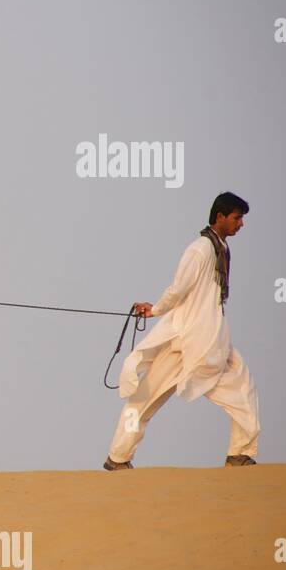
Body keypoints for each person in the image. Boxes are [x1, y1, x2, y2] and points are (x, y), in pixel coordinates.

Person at [104, 192, 260, 470]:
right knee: (145, 399)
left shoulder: (220, 248)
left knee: (243, 385)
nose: (241, 224)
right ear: (220, 216)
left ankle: (240, 453)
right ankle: (118, 457)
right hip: (186, 338)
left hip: (211, 337)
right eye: (237, 218)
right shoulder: (200, 249)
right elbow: (179, 289)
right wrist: (154, 310)